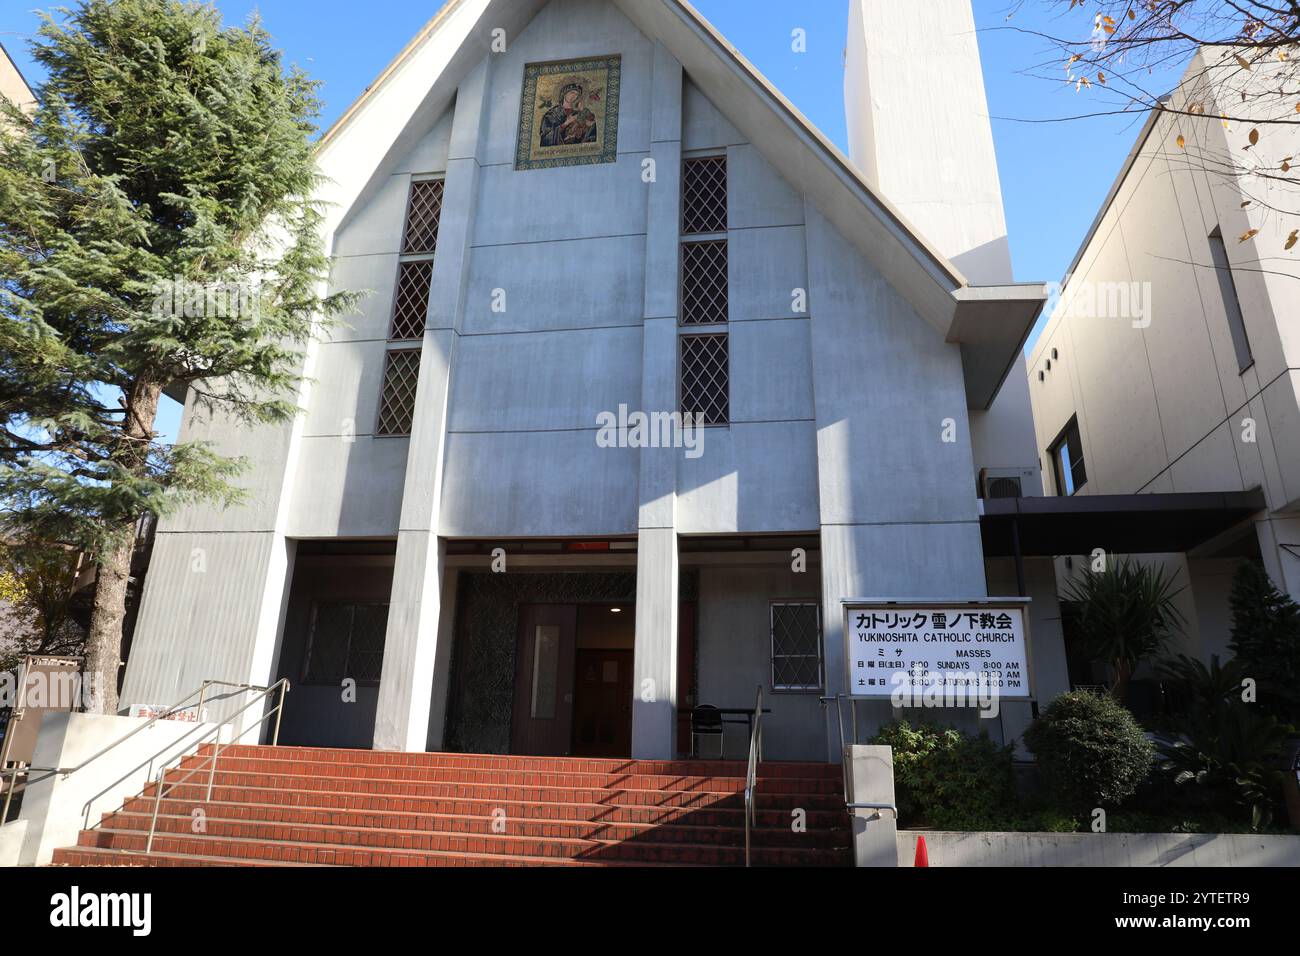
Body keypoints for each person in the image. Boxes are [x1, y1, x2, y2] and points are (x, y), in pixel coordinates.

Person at [539, 80, 597, 147]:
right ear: (564, 93)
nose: (574, 96)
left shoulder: (578, 113)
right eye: (572, 92)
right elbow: (546, 138)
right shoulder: (552, 114)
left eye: (577, 94)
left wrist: (587, 123)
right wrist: (566, 123)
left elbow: (590, 131)